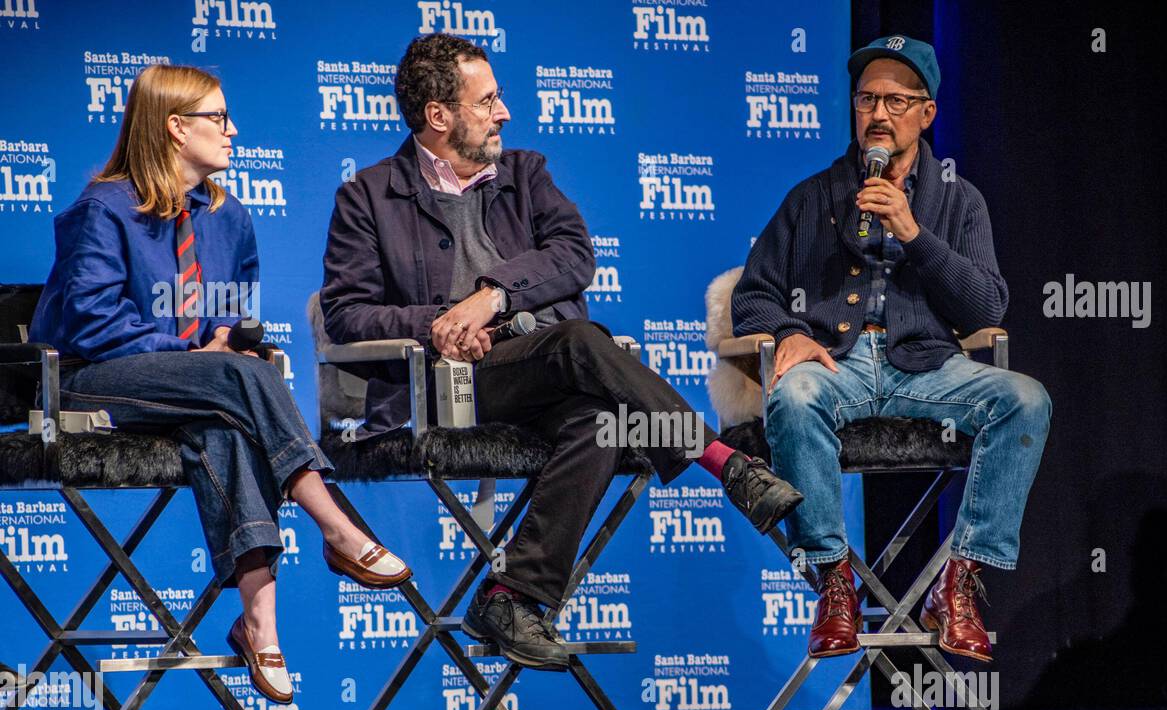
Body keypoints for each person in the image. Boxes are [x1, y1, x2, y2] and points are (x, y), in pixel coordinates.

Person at [321, 34, 803, 671]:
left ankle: (510, 596)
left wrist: (491, 297)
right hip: (449, 385)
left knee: (600, 418)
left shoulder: (526, 174)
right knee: (582, 342)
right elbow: (346, 312)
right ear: (439, 116)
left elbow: (575, 257)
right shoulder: (369, 196)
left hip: (545, 371)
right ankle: (723, 462)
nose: (504, 112)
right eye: (487, 101)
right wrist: (442, 320)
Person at [28, 64, 410, 704]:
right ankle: (335, 525)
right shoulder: (103, 208)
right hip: (93, 383)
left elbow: (231, 310)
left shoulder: (228, 217)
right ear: (176, 128)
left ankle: (259, 624)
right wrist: (195, 352)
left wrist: (229, 339)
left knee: (228, 419)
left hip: (199, 388)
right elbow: (90, 323)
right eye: (219, 119)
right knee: (236, 378)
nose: (233, 132)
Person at [732, 36, 1052, 662]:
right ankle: (832, 583)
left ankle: (957, 583)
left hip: (927, 367)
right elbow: (751, 297)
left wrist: (913, 232)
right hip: (836, 366)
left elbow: (987, 307)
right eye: (867, 99)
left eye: (896, 101)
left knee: (1027, 399)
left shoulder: (960, 201)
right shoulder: (811, 199)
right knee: (794, 394)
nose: (878, 114)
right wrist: (792, 332)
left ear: (927, 113)